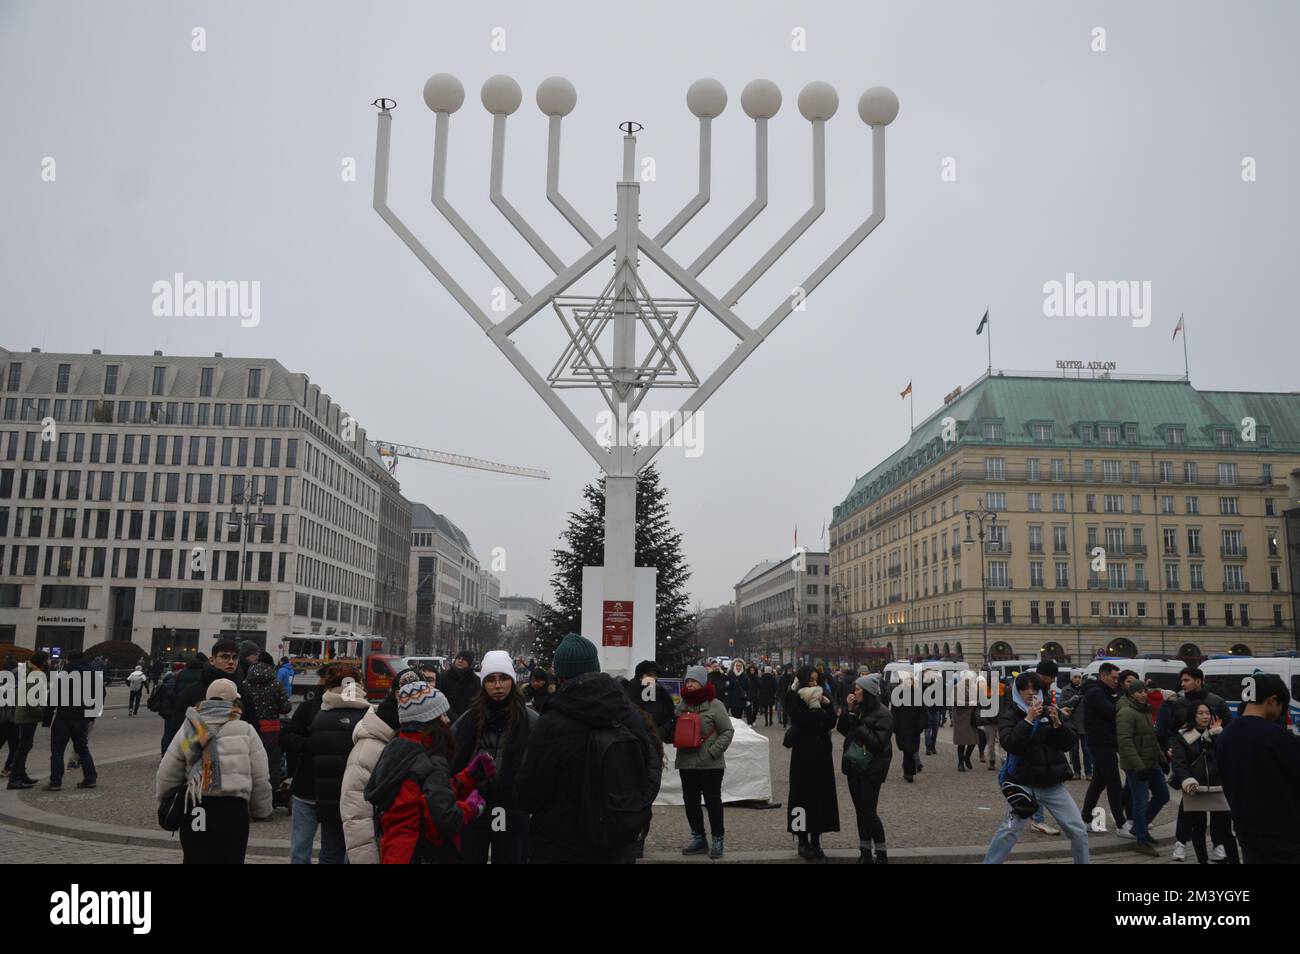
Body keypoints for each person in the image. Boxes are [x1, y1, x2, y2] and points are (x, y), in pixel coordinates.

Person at [514, 633, 659, 864]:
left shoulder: (551, 723)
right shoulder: (628, 714)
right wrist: (632, 808)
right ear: (596, 667)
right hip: (616, 842)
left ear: (559, 676)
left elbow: (528, 792)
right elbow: (652, 767)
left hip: (560, 845)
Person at [365, 680, 493, 863]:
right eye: (442, 715)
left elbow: (422, 796)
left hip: (395, 851)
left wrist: (467, 778)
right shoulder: (431, 759)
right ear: (429, 721)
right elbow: (446, 818)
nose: (448, 720)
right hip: (422, 853)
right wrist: (472, 807)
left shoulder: (396, 749)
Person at [155, 678, 272, 864]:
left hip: (196, 806)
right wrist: (261, 810)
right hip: (233, 810)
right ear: (235, 701)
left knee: (195, 858)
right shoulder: (246, 730)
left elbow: (168, 772)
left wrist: (166, 801)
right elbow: (260, 776)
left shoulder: (190, 729)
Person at [982, 672, 1089, 864]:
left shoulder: (1050, 710)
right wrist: (1028, 720)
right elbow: (1010, 743)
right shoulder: (1010, 714)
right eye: (1025, 688)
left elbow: (1069, 743)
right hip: (1024, 784)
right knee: (1009, 831)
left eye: (1034, 688)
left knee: (1078, 830)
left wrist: (1058, 724)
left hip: (1053, 784)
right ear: (1018, 691)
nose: (1030, 693)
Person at [450, 650, 538, 864]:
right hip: (473, 806)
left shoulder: (531, 720)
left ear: (512, 680)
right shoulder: (468, 719)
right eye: (491, 679)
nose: (497, 686)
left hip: (513, 810)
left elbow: (537, 765)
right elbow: (452, 758)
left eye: (503, 678)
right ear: (483, 683)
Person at [282, 665, 367, 863]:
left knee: (334, 848)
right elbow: (289, 737)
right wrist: (314, 745)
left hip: (337, 792)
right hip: (309, 787)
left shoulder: (362, 712)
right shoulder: (311, 708)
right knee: (305, 849)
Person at [1216, 673, 1300, 863]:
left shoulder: (1225, 735)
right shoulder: (1277, 736)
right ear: (1272, 700)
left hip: (1245, 828)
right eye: (1281, 707)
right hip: (1284, 831)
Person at [1156, 666, 1234, 861]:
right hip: (1191, 764)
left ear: (1199, 681)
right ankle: (1181, 842)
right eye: (1182, 681)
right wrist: (1171, 747)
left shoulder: (1217, 702)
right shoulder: (1179, 703)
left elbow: (1229, 731)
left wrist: (1217, 734)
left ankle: (1218, 845)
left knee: (1220, 815)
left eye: (1186, 680)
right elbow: (1171, 730)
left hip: (1215, 771)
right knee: (1189, 812)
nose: (1182, 684)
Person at [675, 664, 734, 859]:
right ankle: (699, 838)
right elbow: (673, 731)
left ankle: (718, 839)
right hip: (686, 762)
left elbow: (727, 731)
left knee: (712, 801)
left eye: (693, 681)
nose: (690, 684)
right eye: (688, 681)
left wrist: (713, 751)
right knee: (691, 802)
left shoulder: (715, 705)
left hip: (710, 764)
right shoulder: (681, 705)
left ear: (702, 682)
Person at [1171, 701, 1238, 864]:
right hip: (1195, 788)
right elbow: (1179, 763)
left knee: (1226, 831)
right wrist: (1186, 779)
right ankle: (1203, 861)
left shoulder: (1218, 733)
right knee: (1198, 830)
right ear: (1193, 715)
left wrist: (1216, 735)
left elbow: (1227, 756)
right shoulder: (1183, 737)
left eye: (1207, 713)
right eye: (1200, 713)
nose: (1205, 716)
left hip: (1218, 787)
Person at [836, 673, 893, 863]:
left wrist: (859, 725)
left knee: (869, 811)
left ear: (868, 692)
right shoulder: (858, 708)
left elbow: (878, 742)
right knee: (860, 811)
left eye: (858, 689)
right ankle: (865, 852)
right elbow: (843, 730)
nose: (855, 692)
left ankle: (882, 853)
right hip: (854, 766)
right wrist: (848, 710)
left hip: (872, 768)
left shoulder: (883, 713)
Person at [784, 665, 839, 860]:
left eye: (817, 679)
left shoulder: (823, 696)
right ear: (804, 680)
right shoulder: (794, 696)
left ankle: (816, 839)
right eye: (811, 680)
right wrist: (819, 714)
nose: (815, 683)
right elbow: (800, 718)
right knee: (801, 796)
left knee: (820, 797)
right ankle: (802, 840)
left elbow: (832, 720)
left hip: (822, 753)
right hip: (803, 755)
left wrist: (824, 708)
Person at [170, 642, 258, 749]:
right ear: (212, 660)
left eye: (234, 658)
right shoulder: (193, 691)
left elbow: (253, 727)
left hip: (236, 758)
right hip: (201, 758)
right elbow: (178, 729)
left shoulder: (244, 690)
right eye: (225, 657)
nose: (231, 662)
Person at [1117, 680, 1169, 857]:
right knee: (1141, 801)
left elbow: (1152, 739)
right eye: (1138, 691)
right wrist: (1138, 766)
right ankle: (1141, 840)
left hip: (1152, 762)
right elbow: (1125, 742)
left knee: (1163, 795)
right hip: (1135, 765)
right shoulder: (1126, 712)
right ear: (1131, 694)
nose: (1143, 694)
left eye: (1144, 691)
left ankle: (1140, 828)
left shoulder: (1145, 711)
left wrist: (1162, 759)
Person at [1080, 662, 1127, 833]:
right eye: (1113, 677)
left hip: (1104, 741)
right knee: (1114, 782)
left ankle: (1085, 818)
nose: (1117, 681)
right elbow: (1112, 712)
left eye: (1117, 677)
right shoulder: (1096, 693)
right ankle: (1121, 824)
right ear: (1103, 676)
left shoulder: (1105, 692)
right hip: (1100, 742)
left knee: (1098, 783)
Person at [43, 651, 98, 791]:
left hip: (64, 716)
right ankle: (90, 779)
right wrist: (92, 715)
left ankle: (55, 782)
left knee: (57, 750)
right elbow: (100, 694)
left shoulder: (66, 673)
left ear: (69, 660)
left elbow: (54, 695)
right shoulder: (92, 673)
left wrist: (47, 718)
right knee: (82, 748)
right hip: (82, 717)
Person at [243, 657, 291, 793]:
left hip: (250, 729)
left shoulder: (245, 684)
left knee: (250, 762)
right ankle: (270, 797)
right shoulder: (275, 684)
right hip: (271, 730)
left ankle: (251, 795)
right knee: (272, 764)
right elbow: (286, 708)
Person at [6, 652, 47, 790]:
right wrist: (42, 714)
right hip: (27, 715)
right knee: (23, 747)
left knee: (24, 746)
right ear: (42, 661)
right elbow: (31, 699)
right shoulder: (34, 674)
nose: (48, 663)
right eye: (46, 661)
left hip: (24, 713)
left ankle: (21, 775)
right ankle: (15, 778)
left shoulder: (27, 670)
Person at [626, 659, 676, 744]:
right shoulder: (631, 692)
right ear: (640, 676)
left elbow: (669, 717)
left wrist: (658, 734)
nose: (652, 678)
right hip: (636, 741)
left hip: (655, 741)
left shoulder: (661, 693)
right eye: (649, 675)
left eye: (654, 675)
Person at [890, 672, 925, 783]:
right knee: (907, 750)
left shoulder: (918, 694)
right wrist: (895, 726)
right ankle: (909, 771)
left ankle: (908, 771)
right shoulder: (898, 694)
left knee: (911, 750)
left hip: (914, 727)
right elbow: (894, 712)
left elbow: (922, 711)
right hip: (902, 727)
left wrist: (921, 725)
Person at [1058, 671, 1090, 780]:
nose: (1077, 679)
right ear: (1071, 678)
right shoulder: (1065, 690)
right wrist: (1072, 700)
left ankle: (1089, 772)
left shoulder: (1085, 689)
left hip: (1084, 723)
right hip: (1072, 723)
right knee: (1074, 750)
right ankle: (1077, 772)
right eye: (1075, 677)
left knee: (1086, 750)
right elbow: (1060, 704)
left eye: (1079, 677)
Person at [441, 651, 481, 723]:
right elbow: (440, 698)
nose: (460, 661)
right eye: (458, 658)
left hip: (468, 720)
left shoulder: (476, 681)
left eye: (464, 659)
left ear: (469, 662)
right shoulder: (444, 677)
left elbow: (477, 702)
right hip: (446, 719)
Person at [153, 668, 179, 756]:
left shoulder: (166, 681)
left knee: (167, 733)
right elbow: (172, 697)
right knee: (169, 734)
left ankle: (164, 753)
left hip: (165, 710)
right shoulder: (172, 682)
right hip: (170, 710)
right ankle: (166, 754)